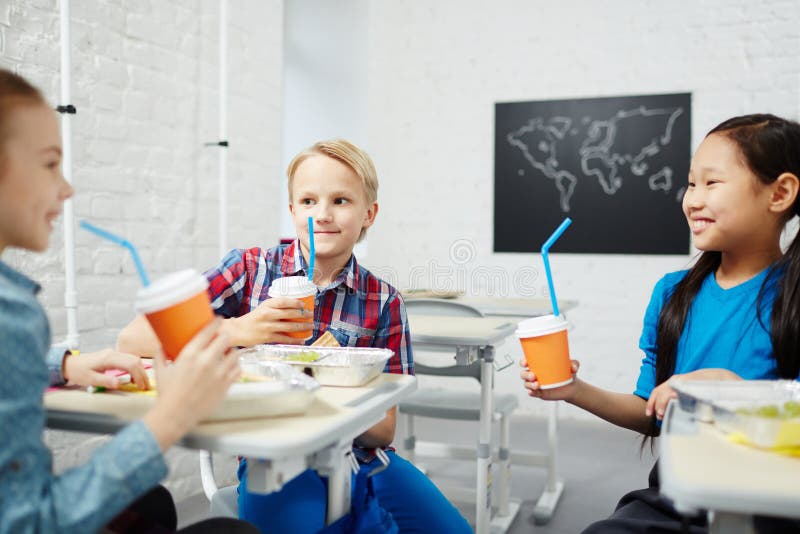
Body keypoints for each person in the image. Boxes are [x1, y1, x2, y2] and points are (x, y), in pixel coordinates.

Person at [118, 139, 472, 533]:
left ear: (368, 213)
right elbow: (133, 338)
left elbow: (384, 428)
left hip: (362, 460)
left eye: (341, 200)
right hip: (273, 458)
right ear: (292, 211)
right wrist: (238, 329)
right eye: (308, 201)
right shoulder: (249, 270)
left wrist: (319, 377)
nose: (322, 214)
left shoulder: (383, 300)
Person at [0, 69, 257, 533]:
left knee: (152, 505)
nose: (67, 187)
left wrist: (63, 365)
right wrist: (170, 418)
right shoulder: (12, 317)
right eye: (49, 163)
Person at [521, 114, 800, 533]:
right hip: (676, 495)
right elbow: (650, 412)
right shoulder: (672, 296)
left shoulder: (792, 300)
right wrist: (573, 390)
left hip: (773, 501)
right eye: (691, 183)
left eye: (712, 183)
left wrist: (727, 387)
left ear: (779, 193)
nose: (693, 199)